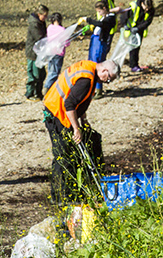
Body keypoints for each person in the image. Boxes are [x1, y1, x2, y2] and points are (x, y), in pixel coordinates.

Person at [43, 59, 120, 204]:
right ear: (104, 71)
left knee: (89, 141)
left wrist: (83, 120)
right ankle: (61, 197)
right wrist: (76, 129)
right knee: (63, 154)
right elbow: (70, 104)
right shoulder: (86, 79)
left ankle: (79, 190)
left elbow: (79, 101)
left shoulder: (89, 66)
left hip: (61, 110)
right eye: (108, 79)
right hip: (56, 113)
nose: (106, 82)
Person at [81, 0, 116, 97]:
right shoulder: (104, 18)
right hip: (95, 40)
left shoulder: (110, 18)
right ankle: (92, 87)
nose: (99, 13)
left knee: (98, 63)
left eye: (99, 11)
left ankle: (98, 89)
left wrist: (88, 20)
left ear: (104, 9)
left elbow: (102, 25)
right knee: (91, 62)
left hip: (100, 43)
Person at [118, 0, 155, 72]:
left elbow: (147, 22)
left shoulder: (151, 10)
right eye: (146, 7)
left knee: (135, 48)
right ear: (142, 4)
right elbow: (124, 16)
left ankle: (134, 65)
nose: (147, 10)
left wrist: (138, 28)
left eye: (148, 8)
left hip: (138, 31)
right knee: (123, 48)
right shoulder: (133, 6)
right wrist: (125, 25)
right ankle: (118, 65)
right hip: (128, 30)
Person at [25, 4, 49, 100]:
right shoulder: (34, 24)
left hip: (39, 51)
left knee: (41, 74)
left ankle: (38, 93)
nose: (46, 18)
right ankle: (30, 94)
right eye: (45, 15)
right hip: (33, 52)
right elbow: (39, 38)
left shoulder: (40, 22)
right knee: (34, 75)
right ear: (39, 14)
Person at [43, 13, 69, 94]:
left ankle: (51, 89)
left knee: (51, 69)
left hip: (50, 51)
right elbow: (66, 43)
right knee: (55, 72)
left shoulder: (49, 28)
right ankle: (47, 88)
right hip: (58, 53)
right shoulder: (62, 30)